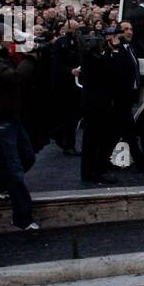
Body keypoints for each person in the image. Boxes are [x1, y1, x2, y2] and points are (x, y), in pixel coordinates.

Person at [0, 34, 40, 232]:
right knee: (14, 171)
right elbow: (15, 78)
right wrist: (30, 57)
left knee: (27, 158)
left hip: (11, 118)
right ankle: (22, 218)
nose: (12, 41)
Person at [111, 21, 144, 171]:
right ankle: (140, 163)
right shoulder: (117, 50)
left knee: (122, 132)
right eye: (125, 29)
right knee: (128, 131)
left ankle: (109, 161)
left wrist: (143, 79)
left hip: (128, 97)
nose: (129, 32)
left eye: (131, 29)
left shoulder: (130, 49)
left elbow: (134, 69)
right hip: (120, 98)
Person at [78, 33, 116, 185]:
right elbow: (109, 71)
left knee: (91, 140)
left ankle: (89, 172)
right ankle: (97, 172)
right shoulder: (96, 61)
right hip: (98, 106)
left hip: (92, 105)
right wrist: (111, 52)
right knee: (98, 140)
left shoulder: (89, 59)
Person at [49, 16, 82, 155]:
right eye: (75, 29)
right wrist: (70, 71)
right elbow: (57, 64)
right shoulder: (60, 43)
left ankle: (64, 139)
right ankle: (68, 144)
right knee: (68, 116)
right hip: (64, 85)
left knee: (73, 116)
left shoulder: (77, 42)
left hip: (75, 84)